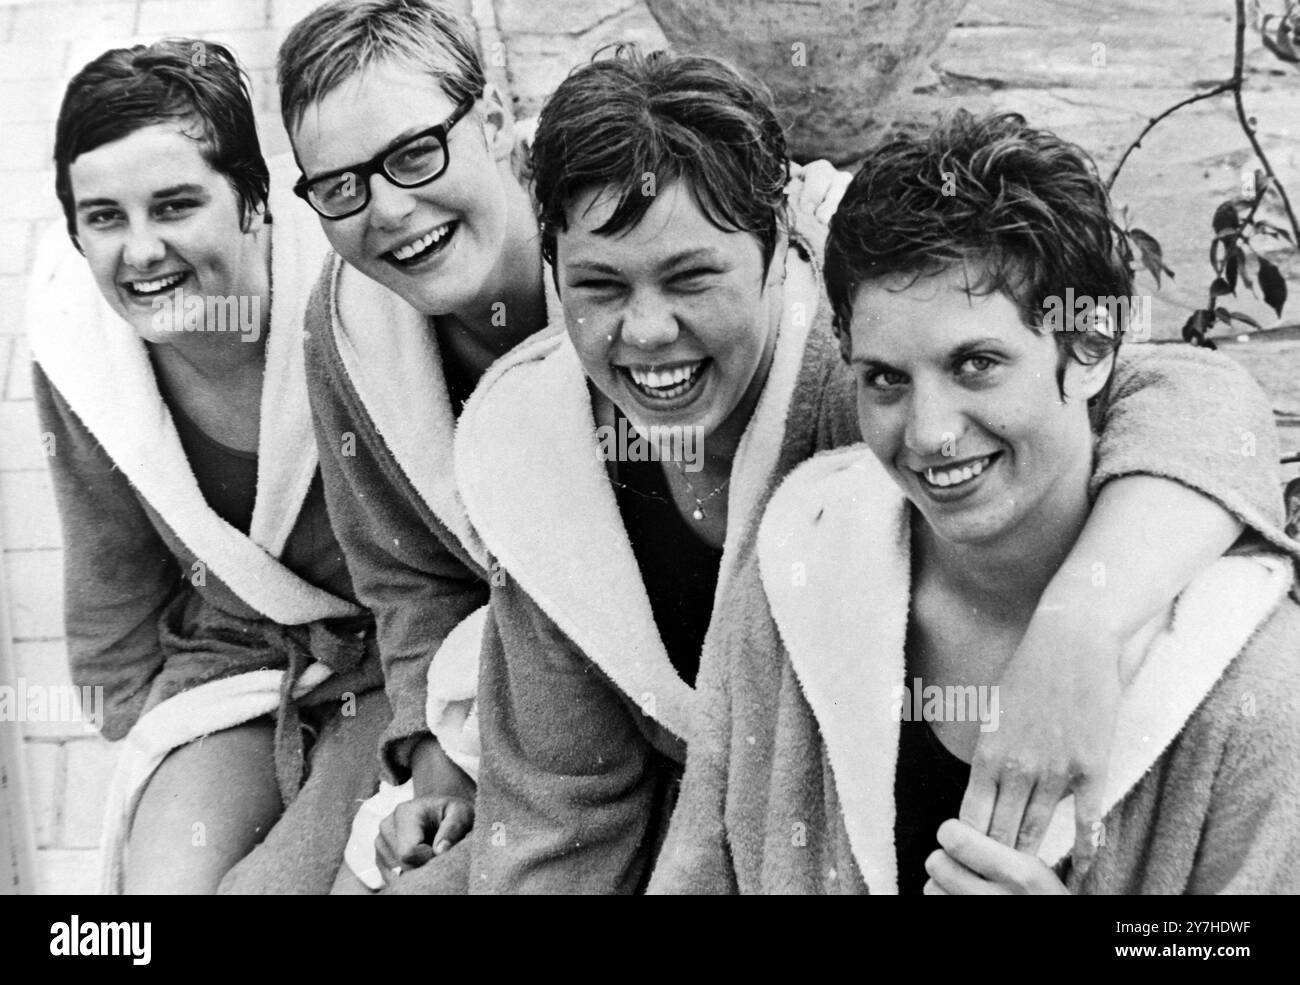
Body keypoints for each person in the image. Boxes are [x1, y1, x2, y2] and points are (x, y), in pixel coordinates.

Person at [456, 49, 1290, 893]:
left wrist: (1082, 620)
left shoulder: (1252, 692)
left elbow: (1198, 395)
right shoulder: (796, 549)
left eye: (976, 366)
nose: (928, 433)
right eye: (885, 380)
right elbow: (629, 834)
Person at [275, 0, 843, 893]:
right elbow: (407, 578)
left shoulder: (835, 356)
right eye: (341, 186)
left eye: (415, 152)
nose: (388, 210)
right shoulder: (363, 339)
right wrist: (433, 742)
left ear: (496, 125)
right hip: (544, 702)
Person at [28, 39, 391, 894]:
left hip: (391, 655)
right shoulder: (83, 352)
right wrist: (148, 727)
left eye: (176, 204)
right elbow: (108, 560)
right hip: (233, 658)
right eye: (106, 217)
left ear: (254, 200)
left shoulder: (355, 297)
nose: (143, 250)